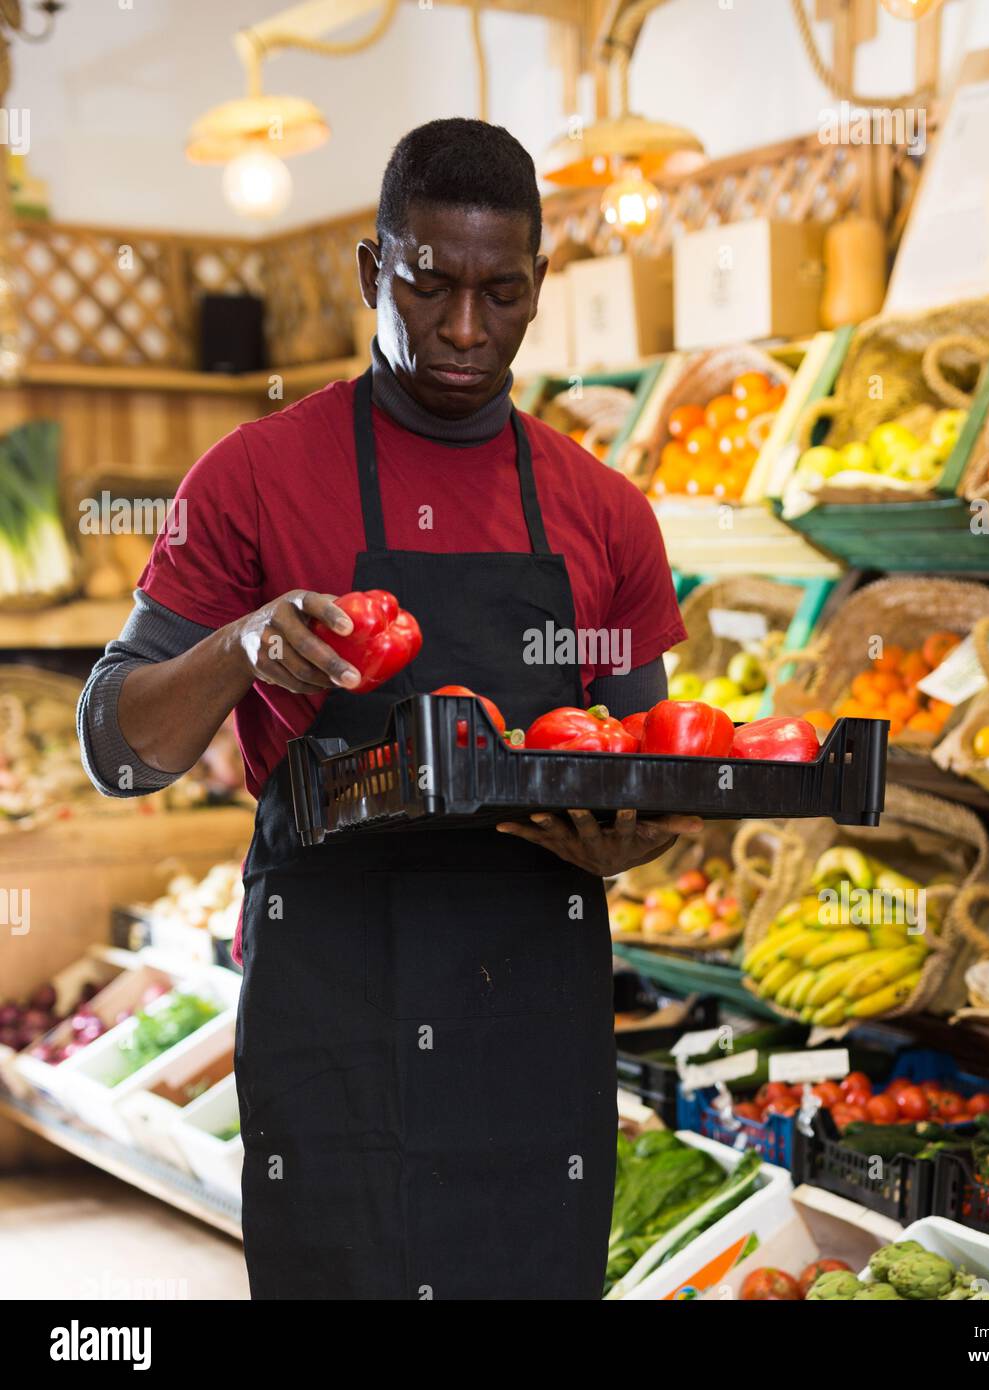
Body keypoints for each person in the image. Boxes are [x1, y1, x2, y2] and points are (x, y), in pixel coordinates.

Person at [79, 119, 698, 1300]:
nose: (466, 330)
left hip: (527, 993)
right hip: (334, 995)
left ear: (536, 289)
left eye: (500, 293)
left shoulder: (606, 512)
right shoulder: (255, 476)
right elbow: (116, 746)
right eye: (430, 285)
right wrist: (242, 645)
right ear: (374, 271)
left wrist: (632, 835)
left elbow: (647, 760)